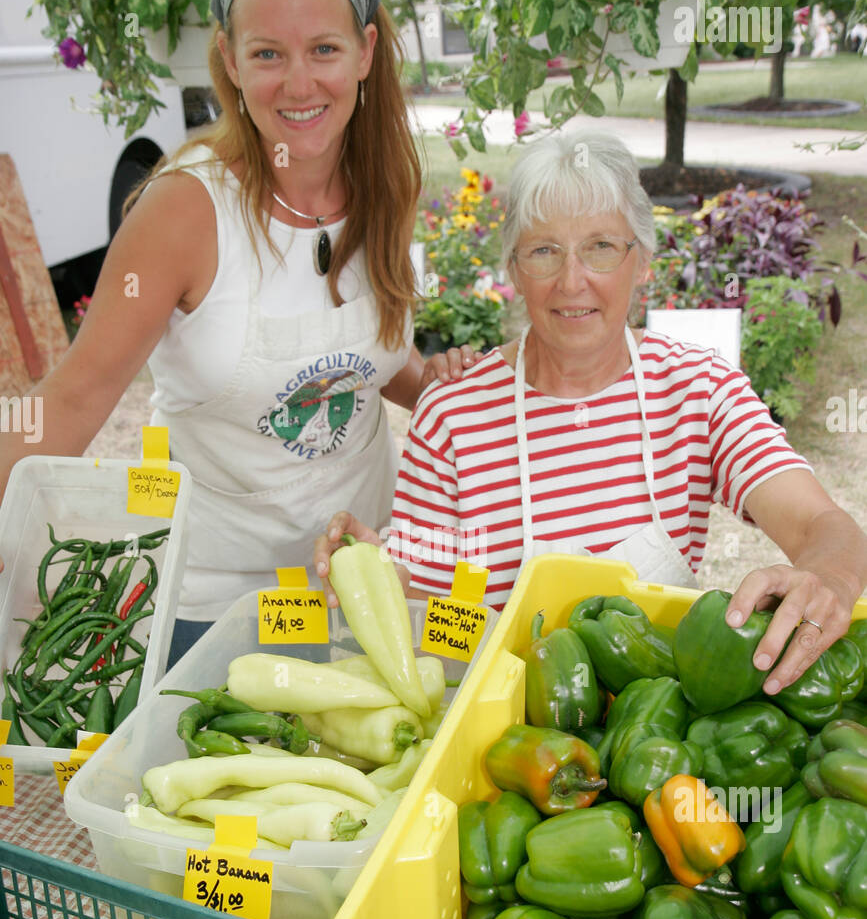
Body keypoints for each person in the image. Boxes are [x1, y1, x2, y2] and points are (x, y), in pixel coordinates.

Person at [0, 0, 476, 665]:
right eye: (267, 54)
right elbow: (72, 397)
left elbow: (368, 363)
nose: (298, 82)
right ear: (228, 57)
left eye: (323, 48)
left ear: (365, 52)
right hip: (216, 606)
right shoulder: (185, 210)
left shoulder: (386, 184)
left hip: (365, 581)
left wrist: (438, 385)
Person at [314, 129, 867, 696]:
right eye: (544, 251)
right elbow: (430, 623)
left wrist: (830, 577)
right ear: (513, 269)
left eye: (601, 246)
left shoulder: (698, 389)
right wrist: (375, 573)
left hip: (659, 732)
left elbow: (822, 525)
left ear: (644, 261)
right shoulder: (453, 414)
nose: (571, 281)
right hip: (517, 745)